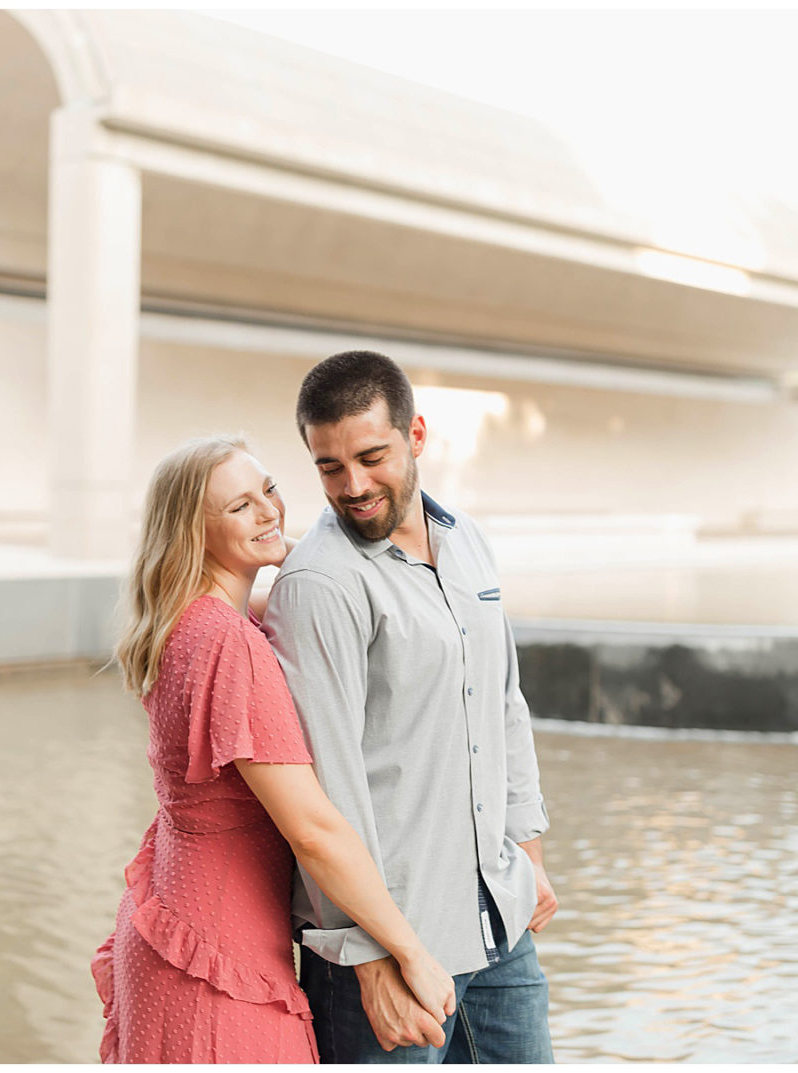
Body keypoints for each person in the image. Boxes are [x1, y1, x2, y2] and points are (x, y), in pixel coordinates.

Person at [91, 434, 456, 1064]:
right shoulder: (228, 646)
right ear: (191, 532)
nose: (268, 511)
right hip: (216, 957)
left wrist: (285, 550)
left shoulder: (188, 619)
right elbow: (312, 828)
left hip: (178, 924)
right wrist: (410, 951)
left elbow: (292, 586)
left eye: (269, 490)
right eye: (239, 508)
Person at [263, 350, 558, 1063]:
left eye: (371, 456)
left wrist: (529, 852)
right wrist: (369, 958)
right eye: (330, 467)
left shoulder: (466, 541)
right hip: (392, 951)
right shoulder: (320, 585)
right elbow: (327, 799)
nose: (354, 486)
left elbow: (503, 704)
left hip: (499, 928)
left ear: (416, 435)